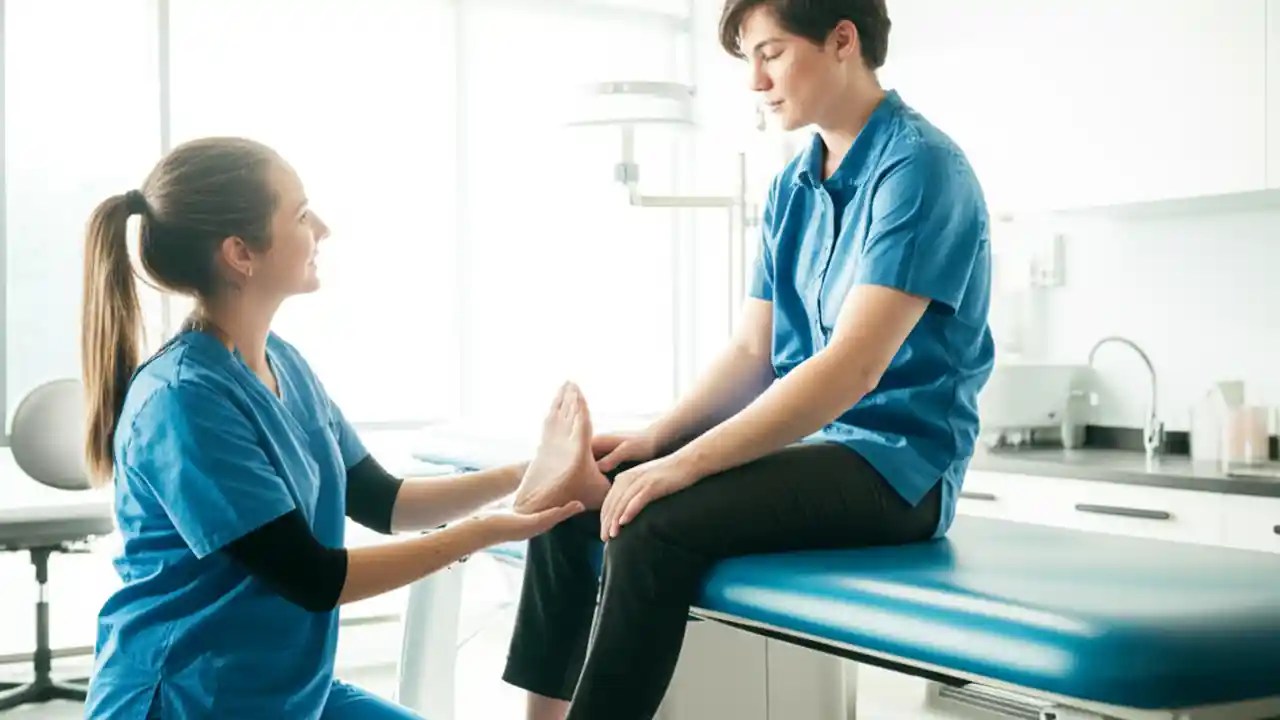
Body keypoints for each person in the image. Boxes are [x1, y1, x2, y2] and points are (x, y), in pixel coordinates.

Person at [503, 1, 995, 718]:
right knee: (571, 505)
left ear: (842, 41)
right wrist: (654, 441)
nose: (755, 81)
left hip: (898, 471)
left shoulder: (920, 169)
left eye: (771, 53)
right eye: (748, 60)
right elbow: (751, 353)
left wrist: (683, 464)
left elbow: (851, 369)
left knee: (649, 522)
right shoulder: (793, 186)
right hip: (814, 449)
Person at [79, 136, 592, 719]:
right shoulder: (182, 401)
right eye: (301, 215)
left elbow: (383, 500)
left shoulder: (282, 363)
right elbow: (313, 577)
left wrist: (530, 471)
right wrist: (485, 532)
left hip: (287, 695)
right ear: (240, 253)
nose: (322, 228)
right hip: (190, 699)